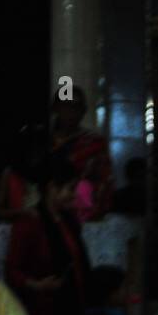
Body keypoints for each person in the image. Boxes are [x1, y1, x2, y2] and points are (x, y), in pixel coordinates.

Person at [6, 154, 92, 315]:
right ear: (52, 188)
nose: (74, 194)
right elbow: (12, 270)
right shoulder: (29, 222)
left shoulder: (69, 221)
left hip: (73, 308)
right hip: (46, 314)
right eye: (70, 188)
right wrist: (37, 285)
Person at [49, 85, 112, 222]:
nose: (71, 112)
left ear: (83, 111)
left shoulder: (94, 143)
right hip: (44, 215)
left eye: (76, 107)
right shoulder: (42, 142)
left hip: (82, 215)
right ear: (55, 108)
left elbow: (105, 182)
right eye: (66, 105)